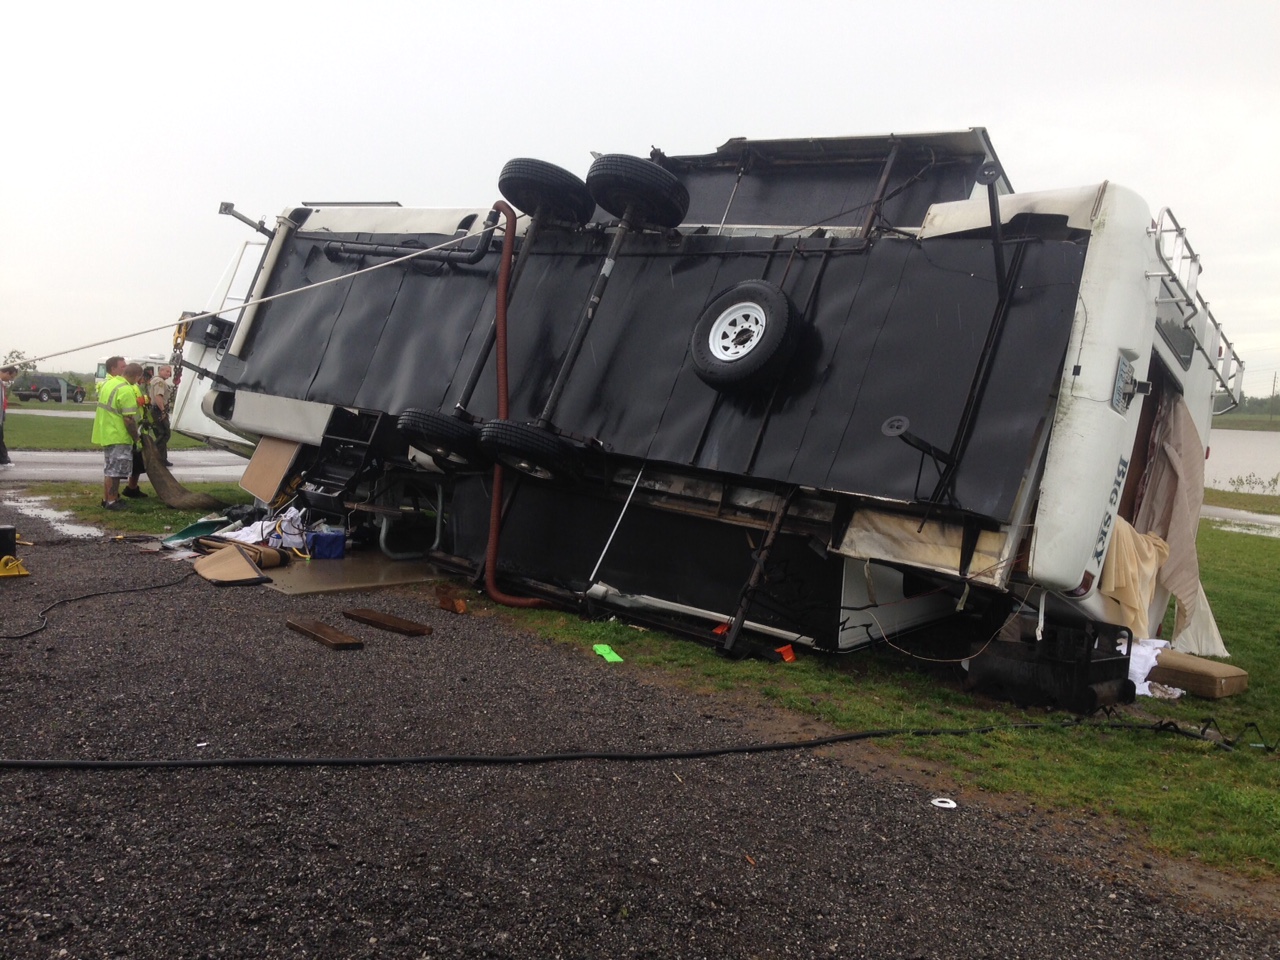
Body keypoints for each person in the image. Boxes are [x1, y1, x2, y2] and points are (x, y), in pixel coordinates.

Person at [90, 356, 139, 510]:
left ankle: (108, 499)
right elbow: (129, 420)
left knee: (109, 469)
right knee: (116, 471)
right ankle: (112, 501)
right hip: (119, 435)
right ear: (137, 377)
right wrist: (136, 437)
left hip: (107, 432)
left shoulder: (109, 384)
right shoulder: (126, 389)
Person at [121, 364, 150, 499]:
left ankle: (132, 488)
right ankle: (127, 490)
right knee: (132, 461)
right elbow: (130, 409)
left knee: (137, 461)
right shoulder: (128, 387)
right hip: (131, 429)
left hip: (137, 426)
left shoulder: (133, 386)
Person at [148, 363, 175, 466]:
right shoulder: (159, 382)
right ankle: (155, 456)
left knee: (162, 434)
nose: (169, 373)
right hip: (158, 410)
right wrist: (163, 411)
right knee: (164, 434)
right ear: (160, 371)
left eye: (169, 371)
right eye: (167, 371)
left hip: (157, 410)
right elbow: (158, 397)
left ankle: (162, 458)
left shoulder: (157, 381)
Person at [0, 365, 15, 467]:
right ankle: (4, 460)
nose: (10, 380)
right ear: (6, 373)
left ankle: (4, 459)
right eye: (11, 377)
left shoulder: (1, 384)